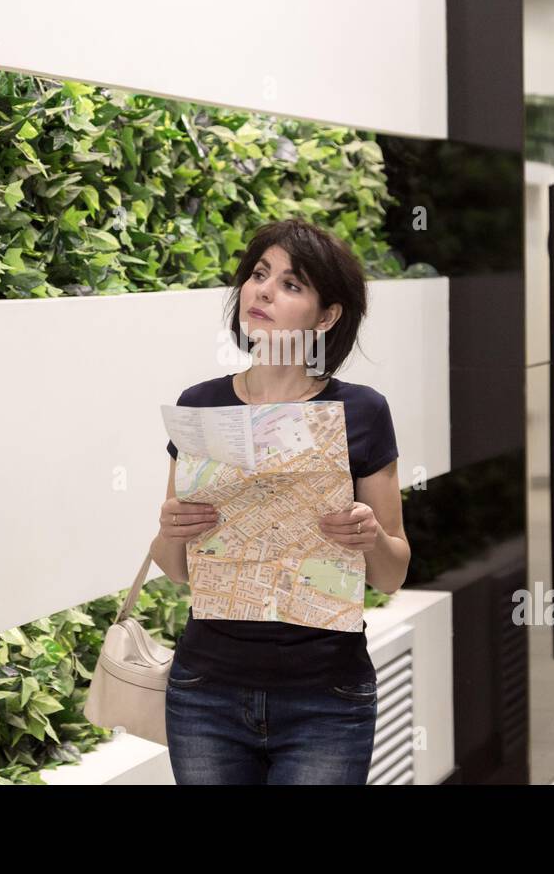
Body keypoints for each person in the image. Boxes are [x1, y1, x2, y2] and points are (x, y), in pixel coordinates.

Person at [149, 218, 410, 784]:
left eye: (291, 284)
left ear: (327, 315)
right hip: (205, 693)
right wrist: (171, 528)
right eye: (259, 275)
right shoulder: (202, 405)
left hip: (326, 697)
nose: (264, 291)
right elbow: (175, 570)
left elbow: (391, 575)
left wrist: (370, 538)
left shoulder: (361, 411)